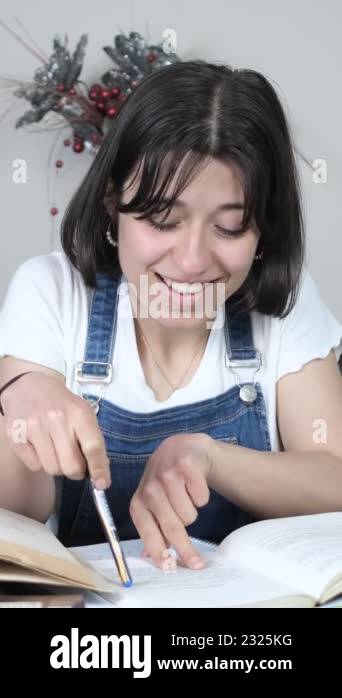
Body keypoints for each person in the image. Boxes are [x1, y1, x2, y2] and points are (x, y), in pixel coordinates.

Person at [1, 60, 342, 572]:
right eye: (162, 219)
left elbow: (334, 475)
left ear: (264, 231)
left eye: (229, 228)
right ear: (113, 204)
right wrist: (17, 397)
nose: (190, 261)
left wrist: (208, 457)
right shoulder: (51, 291)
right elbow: (18, 503)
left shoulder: (285, 303)